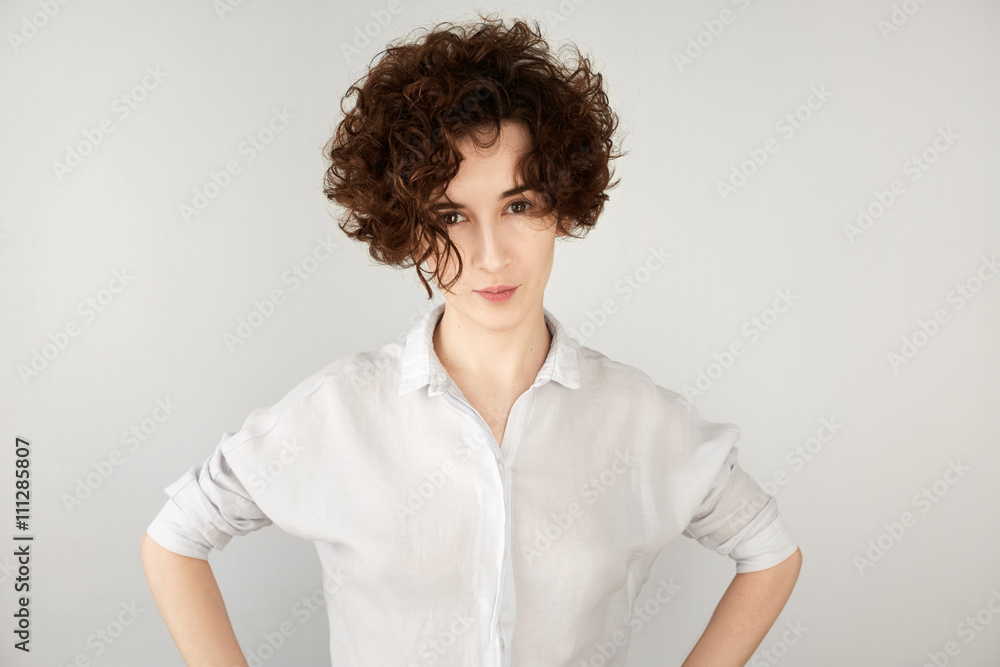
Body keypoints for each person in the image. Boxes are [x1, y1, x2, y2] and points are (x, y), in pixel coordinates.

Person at [140, 12, 802, 666]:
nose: (490, 255)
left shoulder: (638, 419)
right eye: (451, 216)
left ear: (562, 206)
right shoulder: (339, 413)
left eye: (519, 205)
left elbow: (770, 551)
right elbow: (175, 537)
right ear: (408, 228)